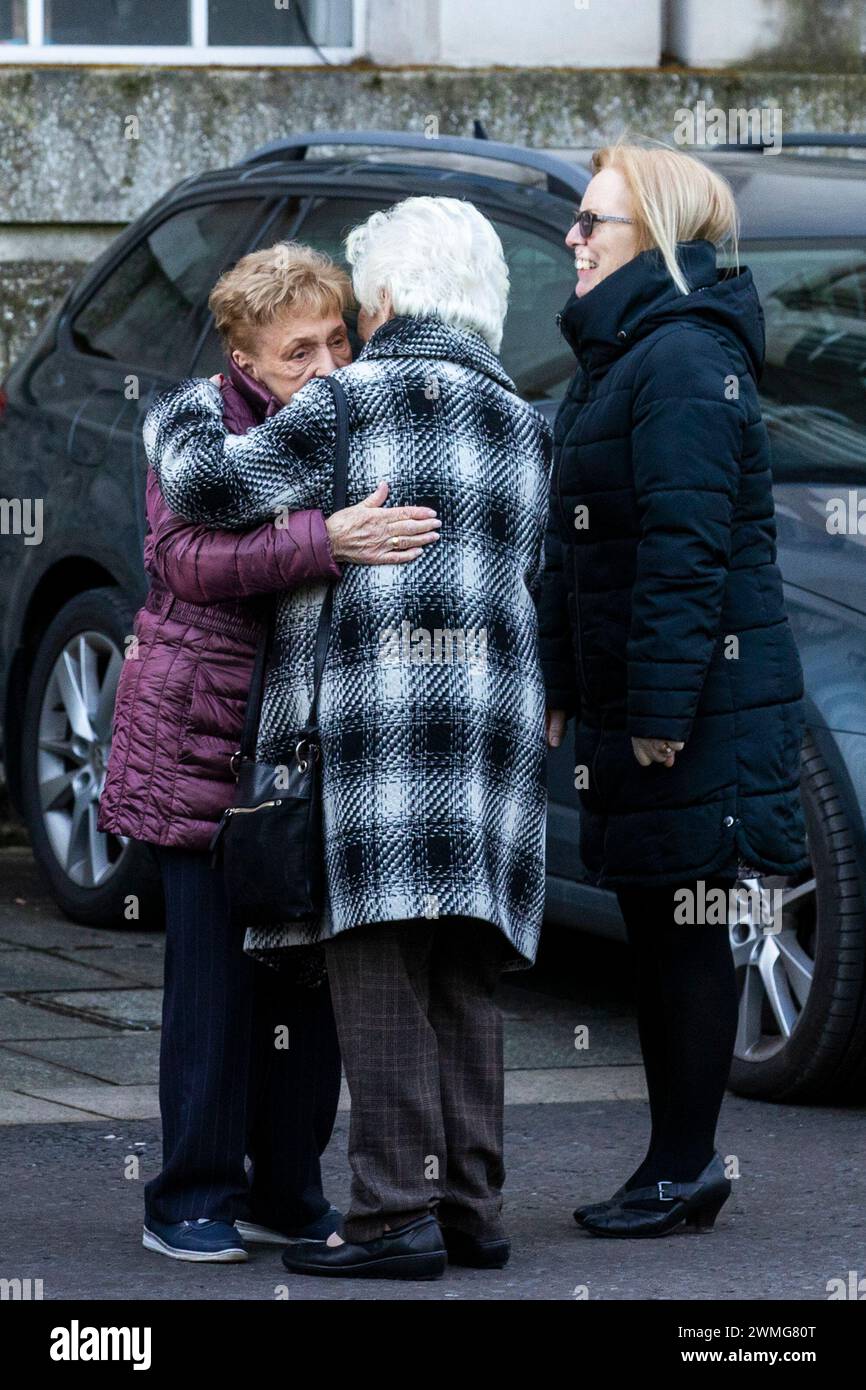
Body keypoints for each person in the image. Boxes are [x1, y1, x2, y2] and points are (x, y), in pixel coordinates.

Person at [144, 195, 553, 1279]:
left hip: (380, 740)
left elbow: (205, 486)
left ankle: (388, 1219)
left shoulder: (349, 402)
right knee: (466, 976)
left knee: (375, 972)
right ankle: (471, 1209)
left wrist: (184, 404)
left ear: (380, 298)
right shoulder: (522, 417)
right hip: (492, 737)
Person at [98, 241, 441, 1262]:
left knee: (305, 988)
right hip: (205, 734)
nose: (327, 365)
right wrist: (319, 542)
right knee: (211, 987)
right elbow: (182, 560)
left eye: (338, 337)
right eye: (298, 351)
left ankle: (285, 1188)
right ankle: (188, 1194)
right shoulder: (195, 423)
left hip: (308, 741)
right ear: (242, 355)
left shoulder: (351, 409)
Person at [539, 141, 808, 1239]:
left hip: (690, 711)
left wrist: (653, 713)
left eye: (592, 222)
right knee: (657, 928)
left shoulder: (681, 361)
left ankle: (684, 1167)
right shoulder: (623, 356)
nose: (572, 236)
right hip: (641, 704)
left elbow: (683, 555)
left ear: (650, 236)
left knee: (684, 928)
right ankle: (671, 1161)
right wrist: (564, 681)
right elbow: (575, 547)